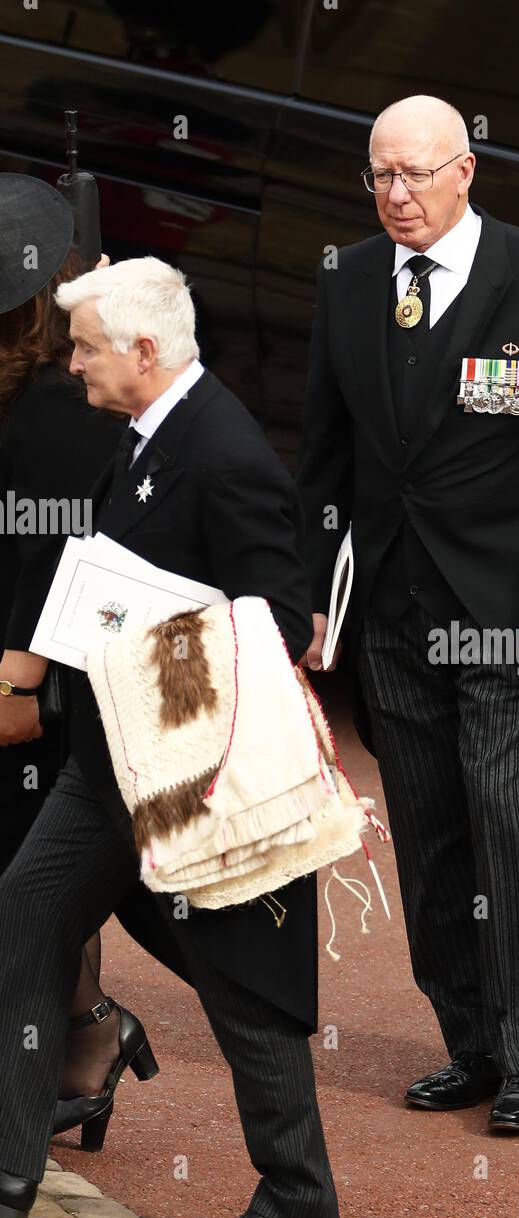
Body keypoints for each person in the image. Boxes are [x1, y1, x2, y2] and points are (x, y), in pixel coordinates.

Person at [0, 256, 340, 1218]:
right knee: (22, 916)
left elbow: (278, 619)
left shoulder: (223, 451)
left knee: (245, 985)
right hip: (111, 771)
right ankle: (12, 1162)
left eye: (87, 347)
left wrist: (145, 618)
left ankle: (301, 1205)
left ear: (145, 352)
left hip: (195, 780)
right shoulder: (148, 431)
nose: (72, 365)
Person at [297, 94, 519, 1131]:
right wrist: (309, 598)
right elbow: (324, 459)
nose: (395, 195)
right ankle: (469, 1042)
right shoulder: (346, 279)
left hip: (505, 616)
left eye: (414, 174)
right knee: (431, 833)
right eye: (378, 176)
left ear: (465, 170)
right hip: (390, 611)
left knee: (511, 831)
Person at [0, 172, 158, 1131]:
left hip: (51, 673)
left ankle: (76, 1047)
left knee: (31, 878)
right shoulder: (30, 381)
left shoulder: (62, 399)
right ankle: (91, 1039)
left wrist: (19, 675)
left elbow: (51, 555)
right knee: (30, 882)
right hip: (34, 659)